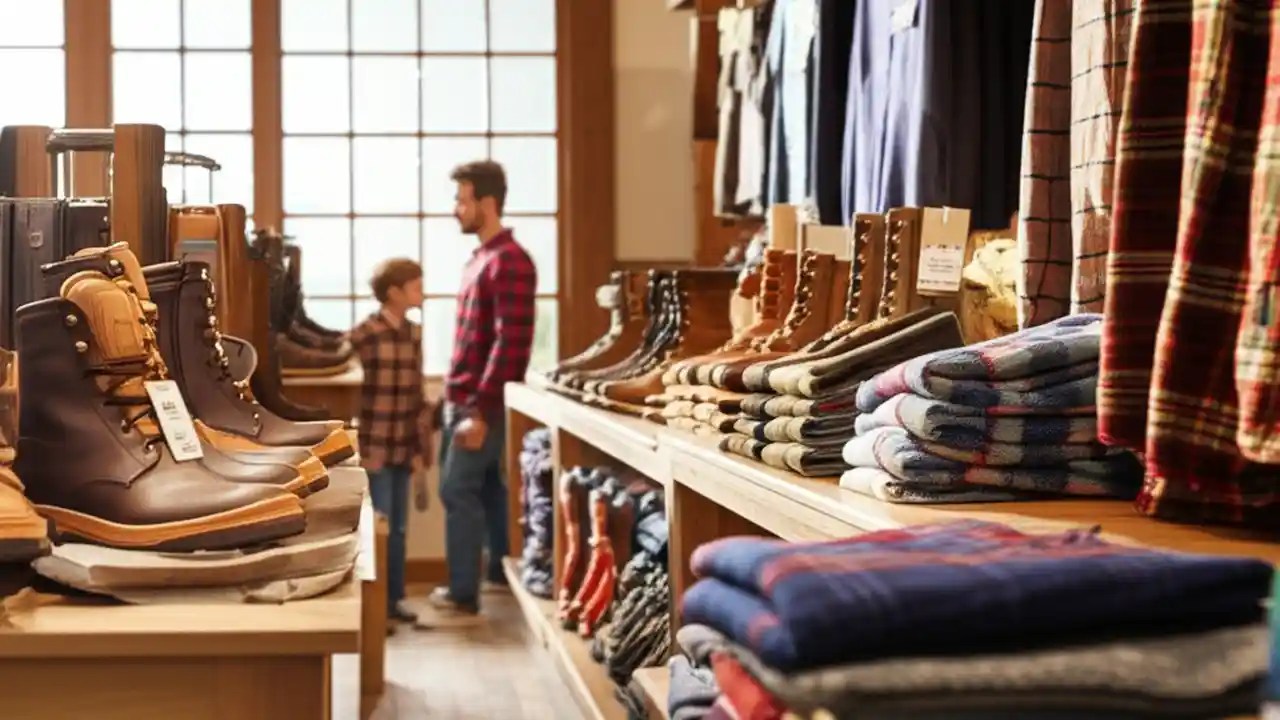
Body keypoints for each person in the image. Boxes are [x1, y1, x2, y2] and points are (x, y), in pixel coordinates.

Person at [427, 160, 537, 617]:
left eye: (462, 199)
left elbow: (510, 345)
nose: (456, 209)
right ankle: (497, 580)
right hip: (463, 400)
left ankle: (462, 592)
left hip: (478, 405)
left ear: (486, 203)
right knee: (491, 491)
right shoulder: (480, 260)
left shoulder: (510, 261)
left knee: (457, 491)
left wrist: (480, 410)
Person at [348, 258, 433, 626]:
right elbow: (350, 392)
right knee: (378, 530)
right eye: (415, 286)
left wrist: (419, 452)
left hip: (403, 447)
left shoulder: (414, 334)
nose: (421, 292)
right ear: (394, 292)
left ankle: (393, 601)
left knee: (398, 531)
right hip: (374, 449)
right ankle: (374, 608)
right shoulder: (364, 334)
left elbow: (417, 395)